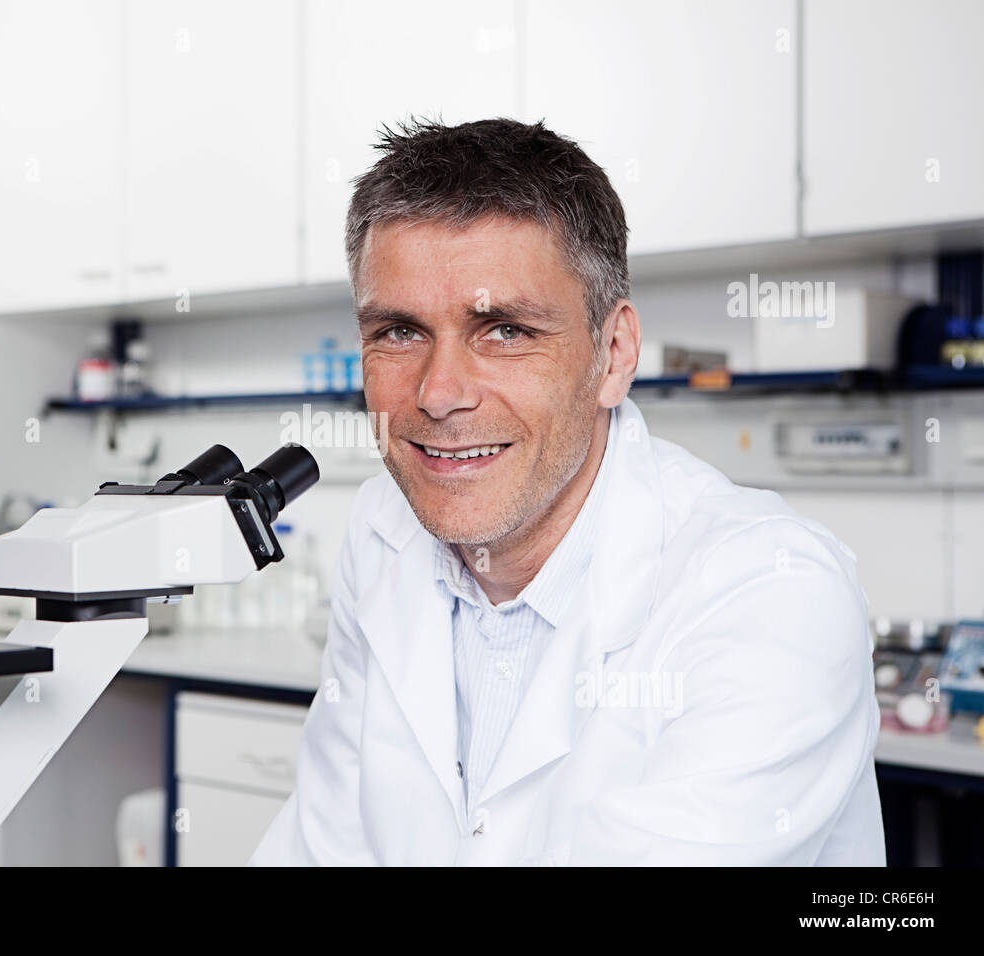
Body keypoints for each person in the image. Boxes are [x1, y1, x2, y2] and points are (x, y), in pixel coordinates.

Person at [251, 118, 884, 865]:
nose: (438, 392)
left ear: (613, 355)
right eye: (398, 331)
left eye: (506, 330)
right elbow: (326, 844)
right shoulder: (384, 529)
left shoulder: (768, 588)